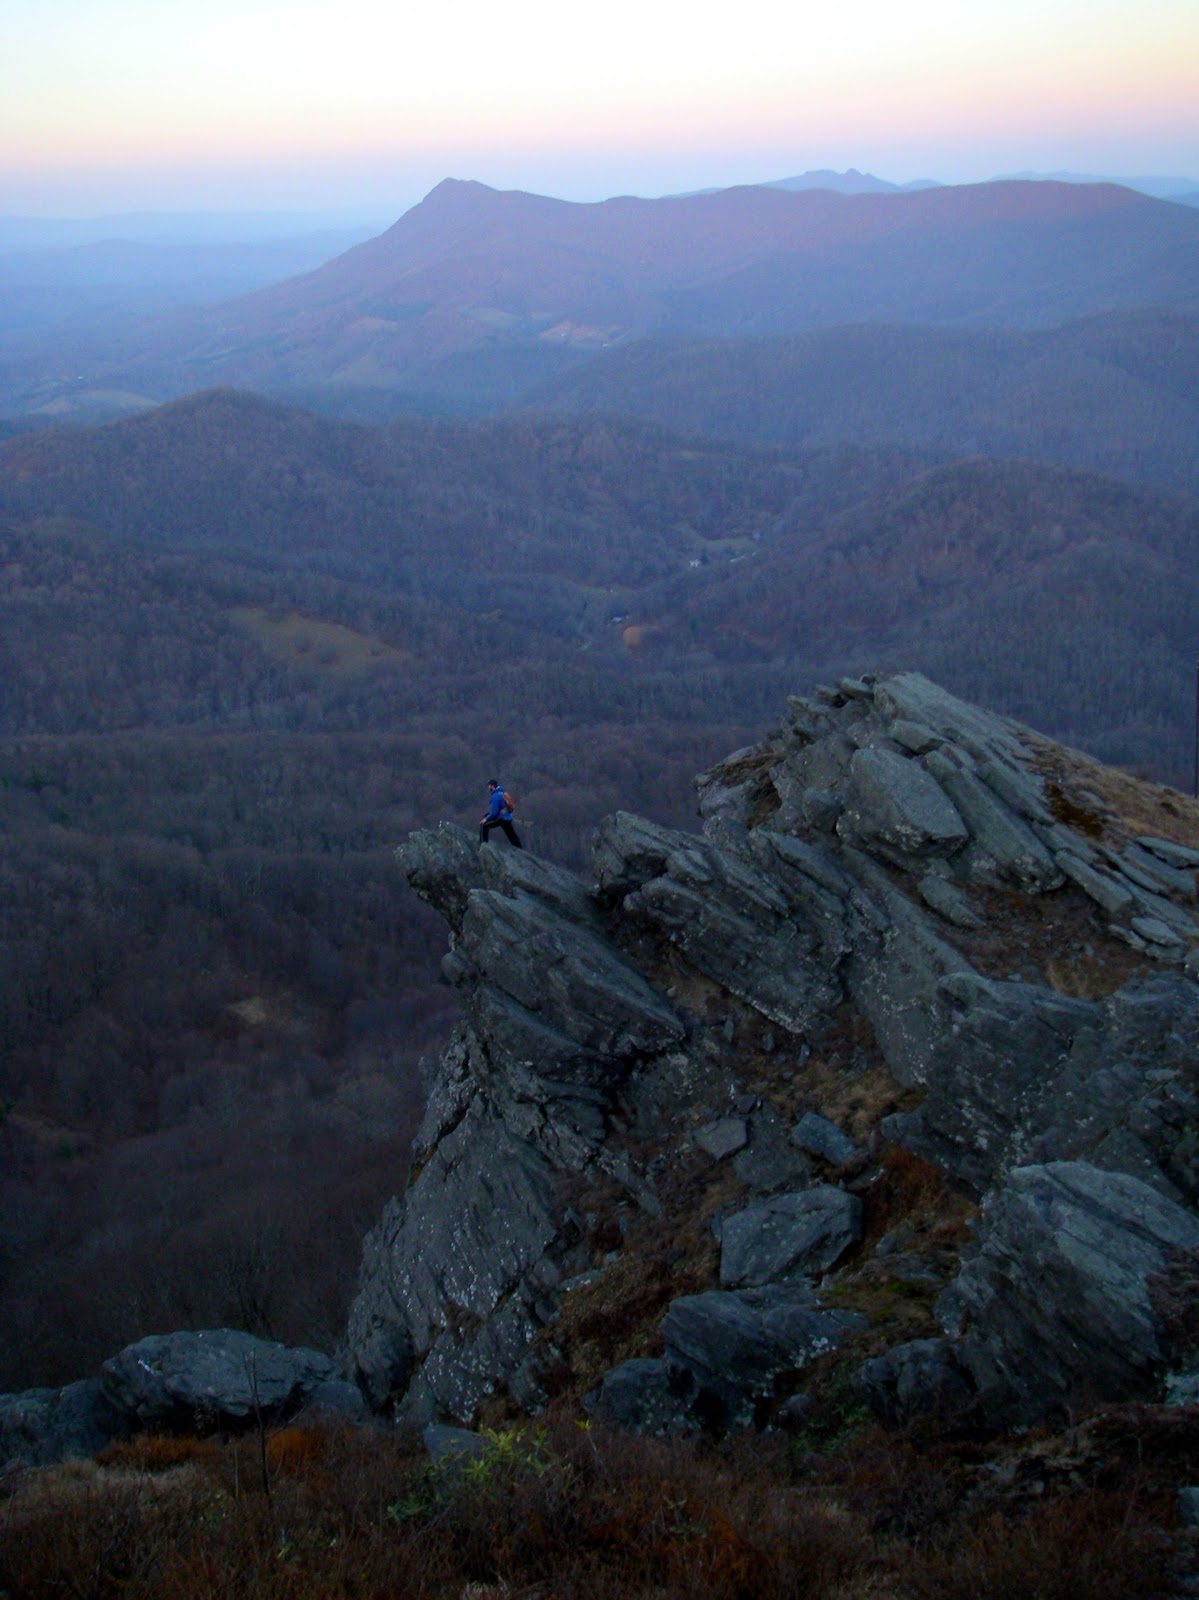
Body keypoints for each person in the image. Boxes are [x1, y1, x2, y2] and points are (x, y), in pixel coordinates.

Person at [479, 779, 522, 847]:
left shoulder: (495, 796)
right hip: (508, 817)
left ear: (492, 786)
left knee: (484, 825)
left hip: (501, 818)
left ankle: (483, 846)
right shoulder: (503, 792)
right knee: (512, 835)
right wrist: (488, 814)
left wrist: (486, 818)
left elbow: (494, 813)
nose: (488, 787)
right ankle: (519, 849)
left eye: (489, 786)